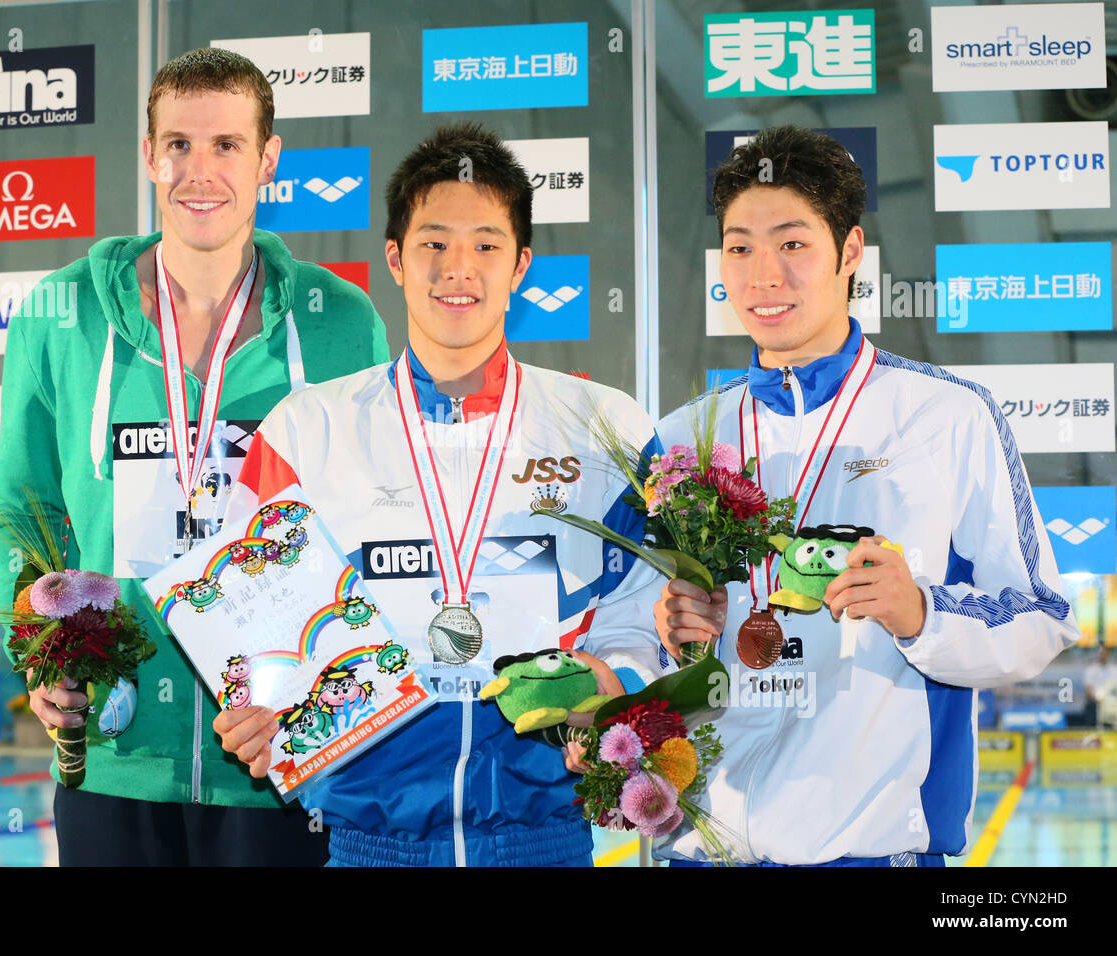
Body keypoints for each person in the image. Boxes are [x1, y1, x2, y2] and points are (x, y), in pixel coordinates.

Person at [214, 122, 671, 866]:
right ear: (394, 258)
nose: (458, 267)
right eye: (433, 242)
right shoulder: (306, 430)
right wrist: (257, 706)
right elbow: (250, 619)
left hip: (544, 837)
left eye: (487, 244)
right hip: (369, 842)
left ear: (522, 263)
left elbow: (644, 615)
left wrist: (609, 680)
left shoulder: (604, 428)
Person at [0, 47, 389, 866]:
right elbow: (18, 506)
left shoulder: (341, 321)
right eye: (179, 145)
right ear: (148, 154)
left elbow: (375, 525)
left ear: (269, 158)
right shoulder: (59, 316)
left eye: (227, 145)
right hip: (115, 755)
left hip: (280, 760)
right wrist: (39, 650)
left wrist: (318, 704)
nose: (199, 172)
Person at [653, 125, 1080, 867]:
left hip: (871, 852)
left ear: (850, 252)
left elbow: (1042, 618)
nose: (762, 276)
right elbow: (636, 646)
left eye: (792, 244)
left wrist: (921, 613)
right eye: (740, 246)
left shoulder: (944, 416)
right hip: (704, 851)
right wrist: (672, 627)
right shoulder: (685, 437)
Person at [1083, 644, 1117, 727]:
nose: (1103, 655)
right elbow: (1088, 690)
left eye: (1105, 653)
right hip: (1096, 700)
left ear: (1108, 654)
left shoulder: (1114, 669)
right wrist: (1097, 699)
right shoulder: (1090, 670)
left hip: (1112, 701)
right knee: (1091, 704)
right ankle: (1090, 732)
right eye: (1101, 653)